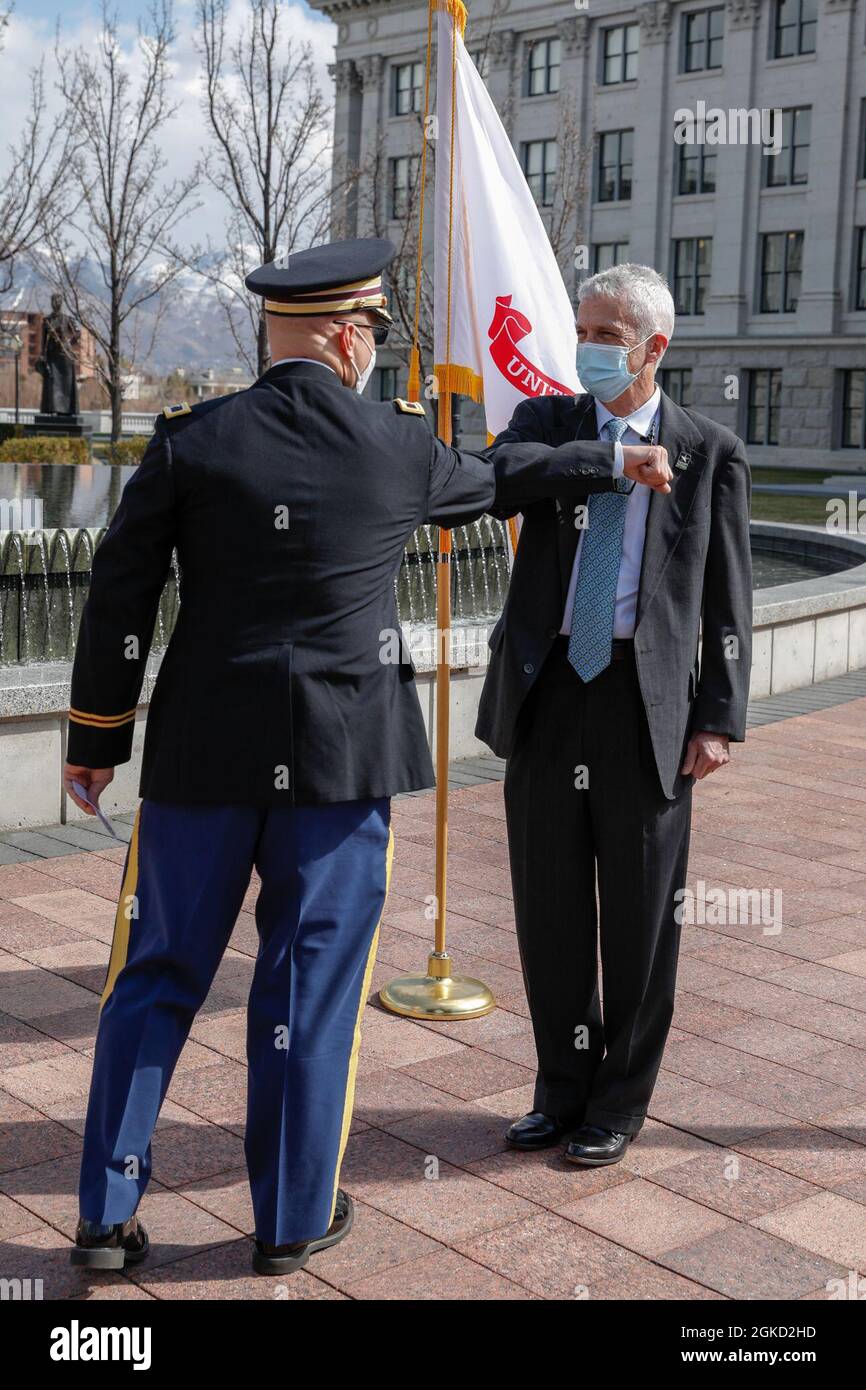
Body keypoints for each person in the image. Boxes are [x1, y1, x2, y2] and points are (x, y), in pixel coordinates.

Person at [64, 237, 671, 1274]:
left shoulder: (190, 440)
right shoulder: (395, 448)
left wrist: (97, 740)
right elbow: (501, 478)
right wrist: (610, 458)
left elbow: (121, 591)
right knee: (308, 994)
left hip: (201, 766)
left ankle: (104, 1220)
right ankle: (291, 1222)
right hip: (341, 773)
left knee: (156, 977)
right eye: (373, 336)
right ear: (350, 337)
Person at [478, 262, 752, 1166]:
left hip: (649, 704)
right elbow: (494, 481)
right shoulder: (549, 423)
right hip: (551, 690)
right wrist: (608, 461)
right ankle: (560, 1092)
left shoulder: (708, 449)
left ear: (654, 347)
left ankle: (618, 1105)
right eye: (582, 330)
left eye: (606, 335)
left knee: (639, 916)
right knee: (550, 910)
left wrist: (719, 717)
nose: (588, 347)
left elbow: (728, 601)